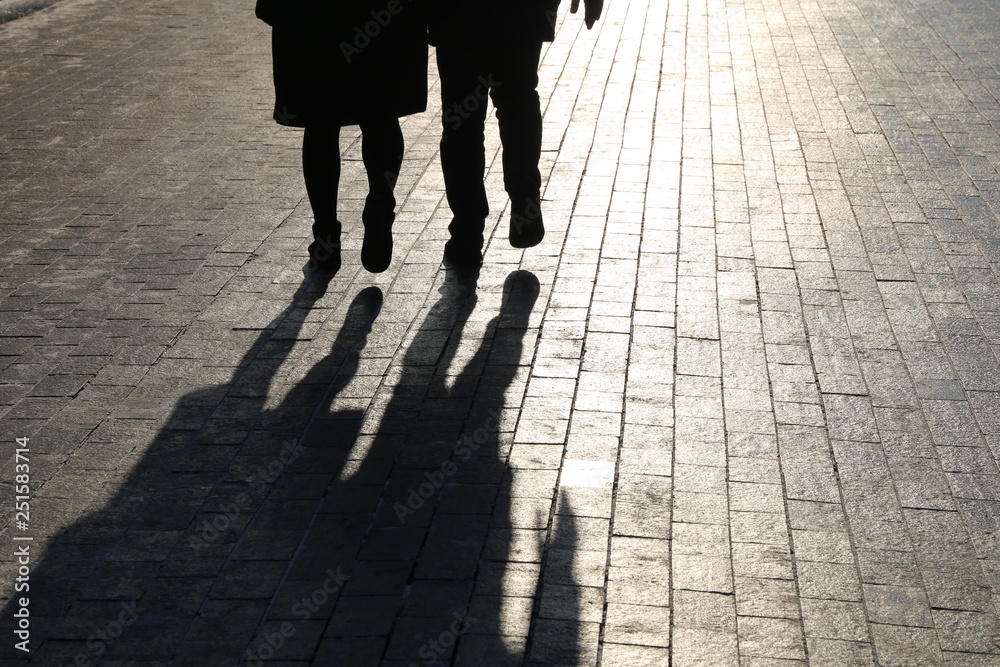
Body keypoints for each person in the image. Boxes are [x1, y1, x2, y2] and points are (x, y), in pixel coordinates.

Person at [256, 0, 427, 273]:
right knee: (380, 114)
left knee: (320, 121)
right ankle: (380, 203)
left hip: (315, 14)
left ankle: (326, 238)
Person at [428, 0, 603, 265]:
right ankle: (524, 191)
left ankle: (467, 228)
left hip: (458, 13)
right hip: (523, 9)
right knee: (517, 99)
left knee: (461, 119)